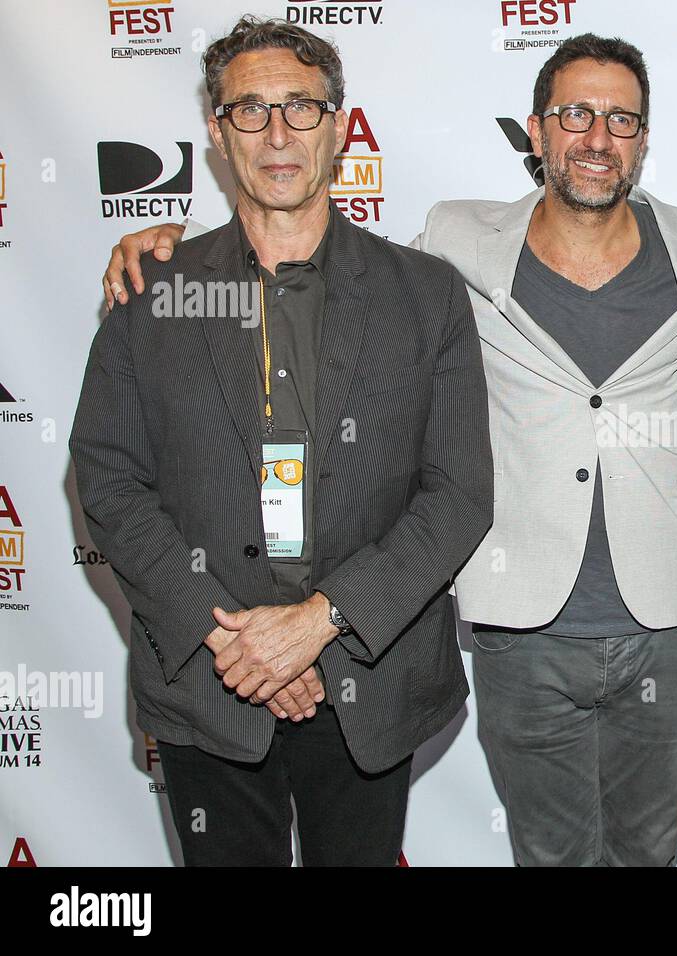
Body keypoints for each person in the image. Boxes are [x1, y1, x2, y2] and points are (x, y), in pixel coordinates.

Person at [101, 33, 677, 866]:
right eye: (574, 114)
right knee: (547, 852)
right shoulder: (455, 244)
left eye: (621, 119)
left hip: (653, 620)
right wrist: (165, 246)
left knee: (651, 849)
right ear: (536, 130)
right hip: (507, 624)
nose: (597, 137)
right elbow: (116, 473)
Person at [71, 16, 493, 866]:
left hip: (367, 683)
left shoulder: (426, 294)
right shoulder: (155, 293)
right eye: (249, 110)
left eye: (300, 108)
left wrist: (318, 623)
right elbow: (109, 479)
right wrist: (233, 638)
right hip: (207, 684)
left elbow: (458, 494)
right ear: (218, 132)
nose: (277, 134)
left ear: (338, 123)